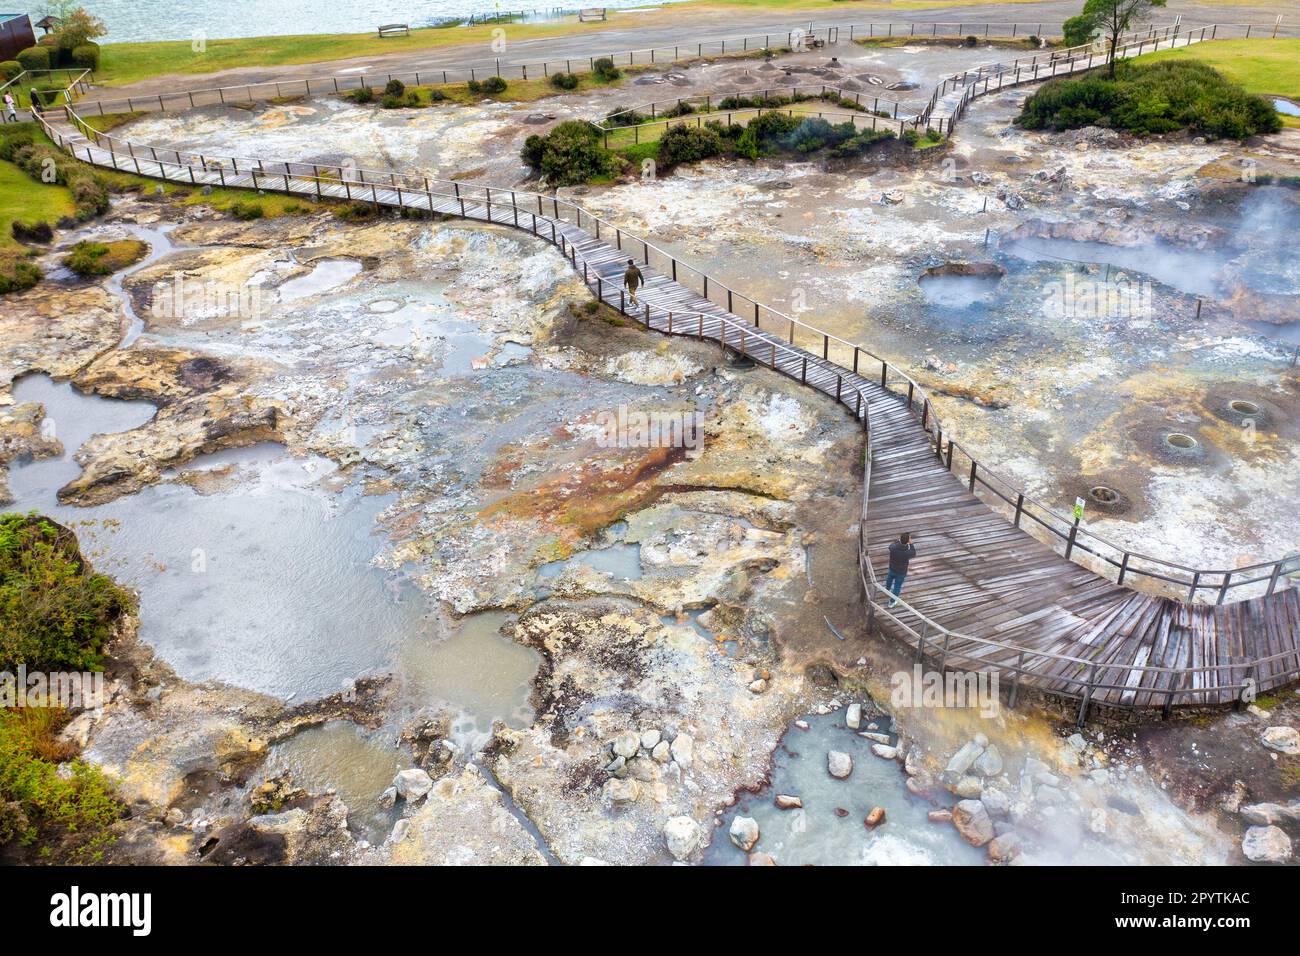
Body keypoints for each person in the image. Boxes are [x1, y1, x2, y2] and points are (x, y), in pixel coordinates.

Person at [885, 532, 915, 606]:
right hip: (901, 572)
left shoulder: (893, 547)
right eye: (910, 538)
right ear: (908, 541)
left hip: (892, 568)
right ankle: (892, 602)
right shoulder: (907, 553)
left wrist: (899, 541)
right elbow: (914, 553)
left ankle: (887, 589)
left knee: (889, 579)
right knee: (897, 587)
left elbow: (890, 546)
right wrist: (911, 544)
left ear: (900, 539)